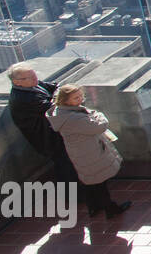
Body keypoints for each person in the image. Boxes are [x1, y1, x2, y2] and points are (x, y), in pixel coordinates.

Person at [46, 84, 131, 219]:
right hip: (90, 151)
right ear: (65, 100)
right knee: (99, 181)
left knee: (89, 180)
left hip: (80, 152)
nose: (80, 99)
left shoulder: (61, 113)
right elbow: (99, 126)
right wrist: (99, 115)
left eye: (81, 96)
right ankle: (110, 208)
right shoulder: (74, 117)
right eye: (76, 97)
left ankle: (94, 207)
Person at [7, 62, 76, 183]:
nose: (36, 79)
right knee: (64, 164)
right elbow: (55, 106)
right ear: (17, 81)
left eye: (35, 75)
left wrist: (56, 95)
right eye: (31, 77)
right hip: (46, 137)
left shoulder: (33, 84)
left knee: (68, 161)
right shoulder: (23, 98)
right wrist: (57, 97)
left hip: (54, 131)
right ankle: (72, 194)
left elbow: (56, 87)